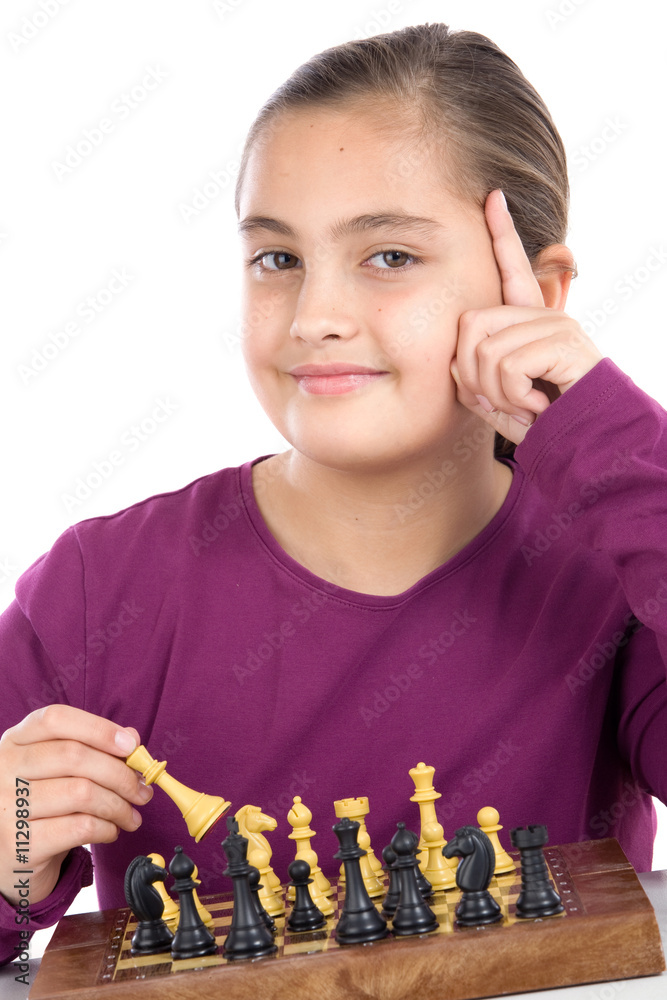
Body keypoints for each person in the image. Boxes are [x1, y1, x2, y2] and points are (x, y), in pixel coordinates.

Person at [1, 22, 666, 964]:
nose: (314, 317)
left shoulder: (618, 574)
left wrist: (602, 430)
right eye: (278, 259)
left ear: (537, 295)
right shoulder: (96, 589)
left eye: (388, 256)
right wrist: (8, 860)